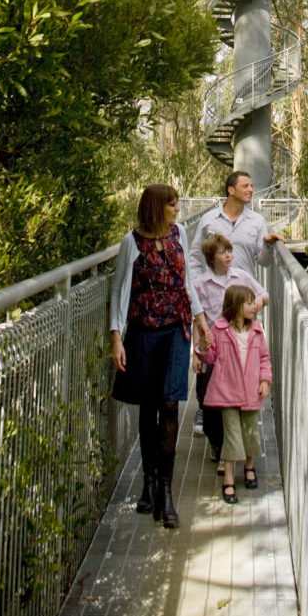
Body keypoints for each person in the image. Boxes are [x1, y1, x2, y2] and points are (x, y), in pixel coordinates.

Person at [110, 183, 211, 530]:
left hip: (175, 332)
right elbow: (121, 290)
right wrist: (116, 337)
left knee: (170, 405)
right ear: (156, 208)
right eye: (172, 205)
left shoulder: (179, 233)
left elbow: (186, 282)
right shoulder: (131, 243)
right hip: (142, 334)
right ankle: (148, 482)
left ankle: (166, 492)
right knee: (149, 406)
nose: (177, 210)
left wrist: (201, 321)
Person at [192, 235, 268, 468]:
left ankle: (228, 451)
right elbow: (197, 318)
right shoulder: (200, 284)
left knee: (233, 399)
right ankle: (216, 442)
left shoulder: (241, 277)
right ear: (211, 258)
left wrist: (258, 303)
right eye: (223, 252)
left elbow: (263, 294)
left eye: (229, 251)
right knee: (208, 397)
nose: (228, 256)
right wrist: (196, 353)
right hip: (214, 345)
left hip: (238, 345)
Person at [200, 283, 272, 504]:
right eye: (249, 303)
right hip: (227, 390)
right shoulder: (219, 329)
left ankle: (249, 467)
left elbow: (264, 359)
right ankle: (229, 479)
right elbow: (209, 358)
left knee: (250, 430)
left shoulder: (257, 331)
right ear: (235, 306)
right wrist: (202, 346)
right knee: (231, 434)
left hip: (251, 390)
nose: (254, 307)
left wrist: (265, 379)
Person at [188, 170, 284, 281]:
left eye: (251, 186)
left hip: (245, 292)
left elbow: (264, 262)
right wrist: (197, 287)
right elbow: (195, 257)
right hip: (214, 292)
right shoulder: (209, 219)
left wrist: (268, 244)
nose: (251, 190)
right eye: (245, 186)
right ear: (231, 190)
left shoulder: (258, 220)